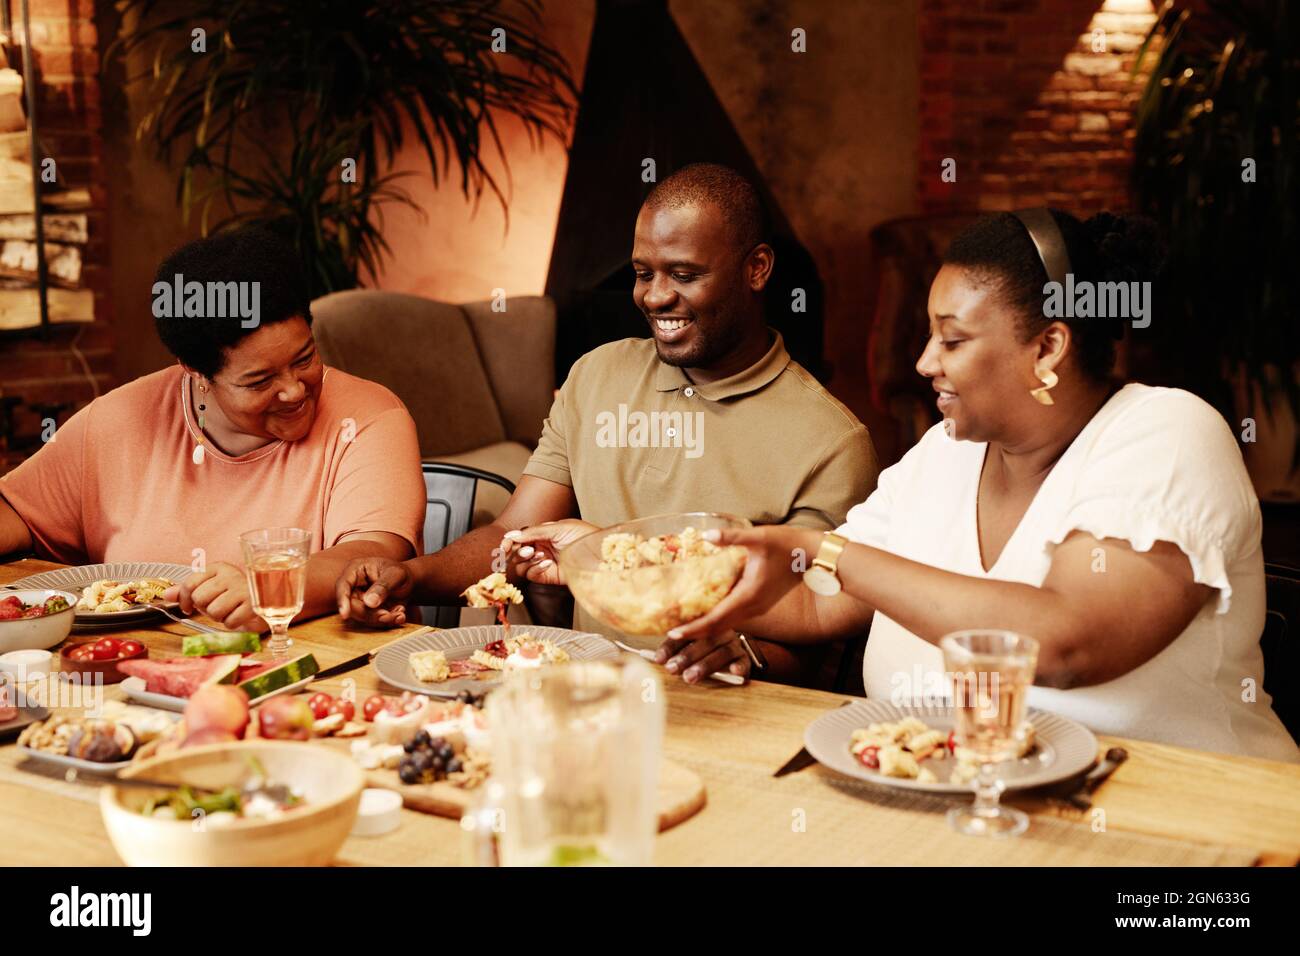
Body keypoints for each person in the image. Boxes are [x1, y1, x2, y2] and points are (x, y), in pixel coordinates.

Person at [668, 209, 1298, 760]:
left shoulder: (1167, 432)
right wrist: (674, 579)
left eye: (953, 339)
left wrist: (829, 550)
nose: (924, 362)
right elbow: (818, 597)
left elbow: (1064, 644)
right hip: (958, 811)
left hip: (1181, 832)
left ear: (1048, 346)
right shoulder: (942, 454)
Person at [337, 163, 879, 684]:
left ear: (757, 268)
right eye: (644, 274)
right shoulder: (597, 376)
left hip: (723, 712)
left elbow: (813, 634)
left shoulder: (829, 442)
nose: (656, 296)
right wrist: (413, 577)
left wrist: (745, 653)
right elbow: (512, 536)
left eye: (685, 275)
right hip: (591, 701)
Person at [0, 227, 425, 631]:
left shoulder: (370, 419)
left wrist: (266, 588)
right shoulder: (118, 419)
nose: (295, 391)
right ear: (195, 372)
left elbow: (373, 557)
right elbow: (18, 512)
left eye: (305, 358)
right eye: (260, 381)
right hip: (134, 678)